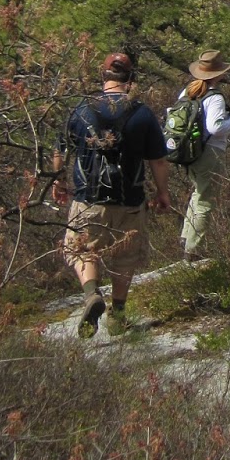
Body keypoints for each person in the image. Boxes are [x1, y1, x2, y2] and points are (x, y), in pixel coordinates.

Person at [52, 52, 170, 338]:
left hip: (88, 198)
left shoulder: (81, 109)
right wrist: (162, 193)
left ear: (102, 77)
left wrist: (58, 181)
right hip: (129, 201)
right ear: (130, 80)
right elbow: (158, 160)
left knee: (81, 249)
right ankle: (117, 315)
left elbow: (60, 149)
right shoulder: (142, 114)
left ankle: (92, 294)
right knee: (124, 259)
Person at [177, 50, 230, 262]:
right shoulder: (215, 97)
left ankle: (186, 237)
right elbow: (215, 127)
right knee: (206, 200)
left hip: (189, 152)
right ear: (218, 73)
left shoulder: (187, 92)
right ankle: (193, 251)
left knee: (197, 193)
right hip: (209, 152)